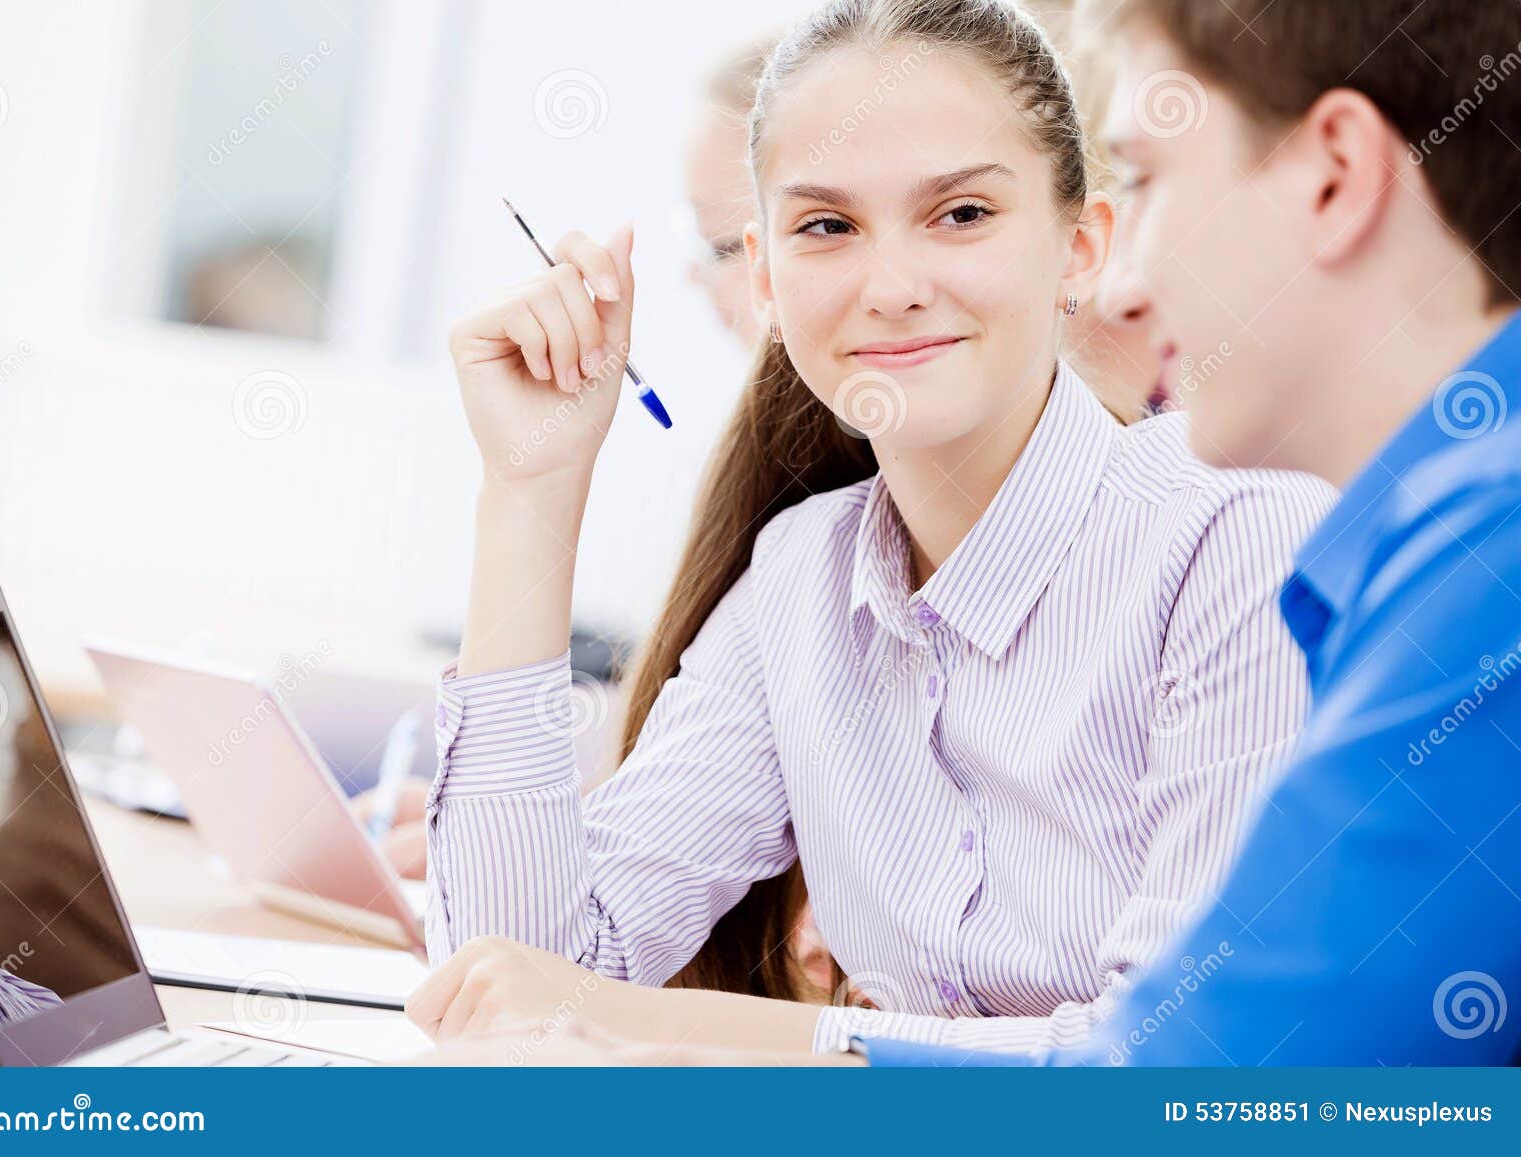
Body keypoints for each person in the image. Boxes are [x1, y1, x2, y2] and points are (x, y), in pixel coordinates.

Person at [410, 0, 1334, 1057]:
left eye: (962, 213)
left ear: (1081, 249)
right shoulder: (798, 582)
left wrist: (708, 1027)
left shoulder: (1238, 536)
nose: (891, 288)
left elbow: (1174, 1064)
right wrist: (530, 488)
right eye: (827, 227)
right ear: (766, 278)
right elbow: (509, 984)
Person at [844, 0, 1521, 1066]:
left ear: (1336, 176)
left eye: (1149, 179)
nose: (1120, 289)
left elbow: (1200, 1100)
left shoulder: (1487, 568)